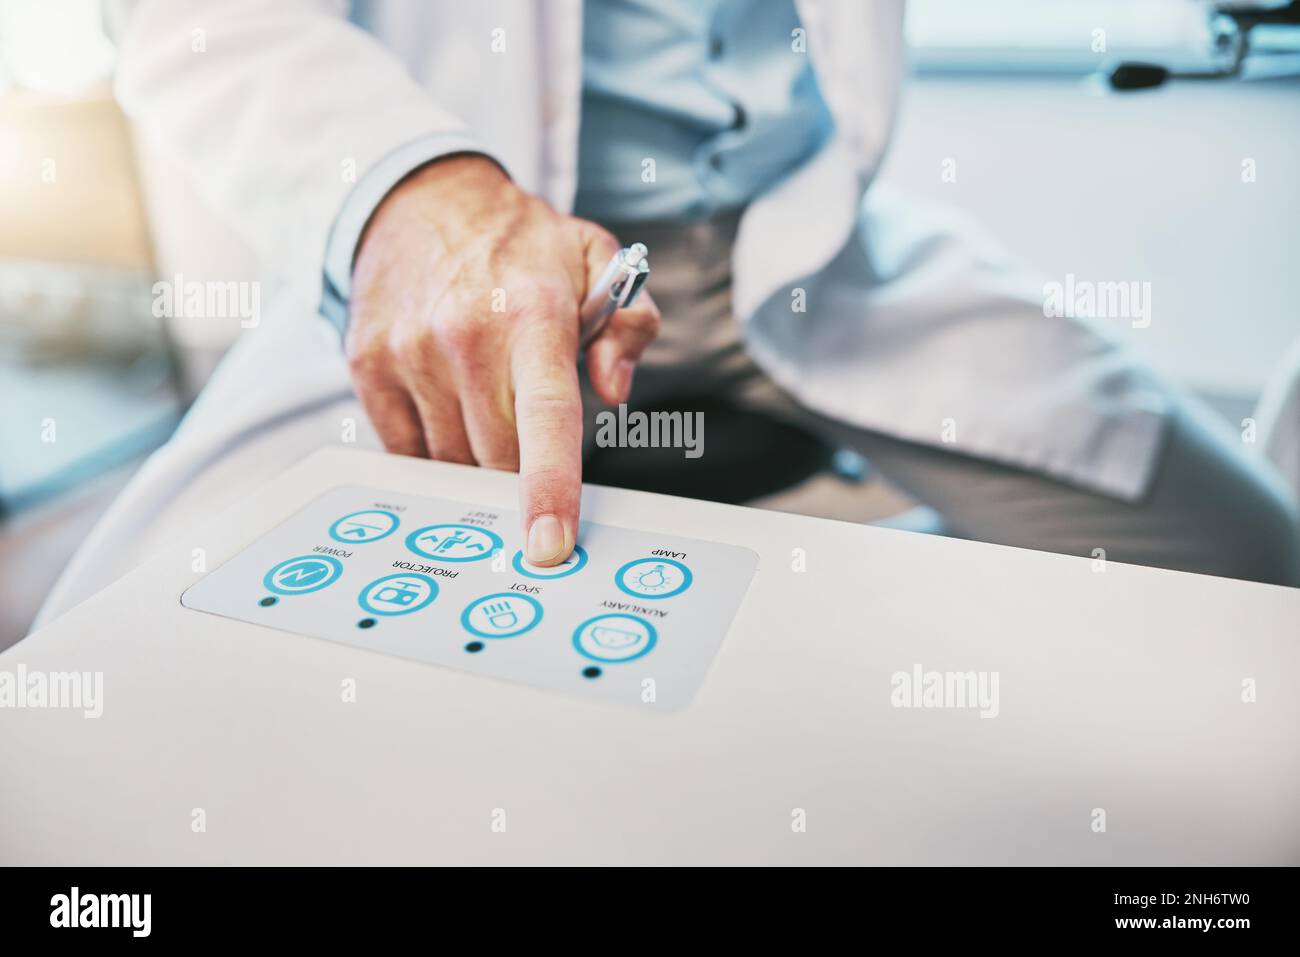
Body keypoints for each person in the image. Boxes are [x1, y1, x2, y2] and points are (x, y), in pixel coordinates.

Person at [36, 0, 1299, 625]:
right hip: (461, 260)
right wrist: (412, 196)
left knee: (1261, 575)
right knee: (106, 652)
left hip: (805, 252)